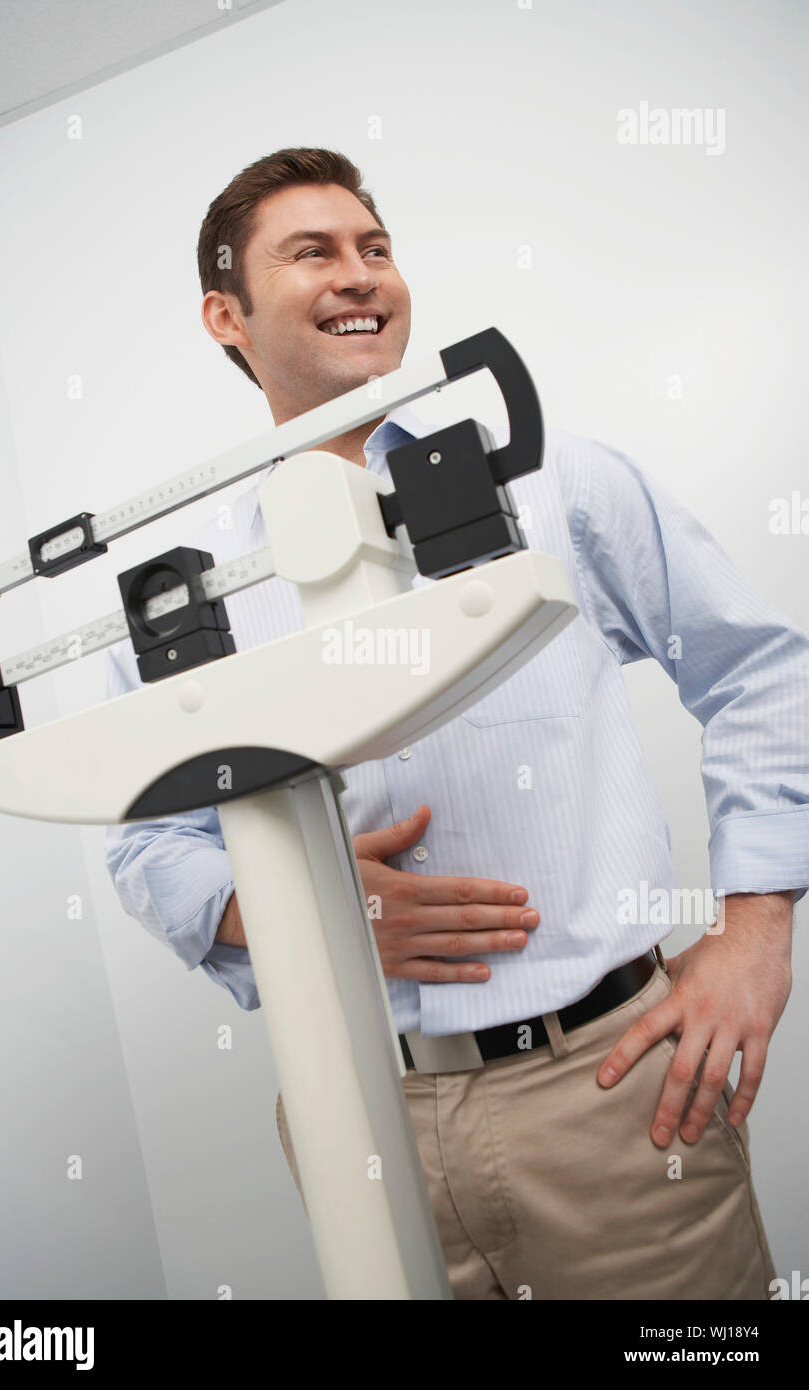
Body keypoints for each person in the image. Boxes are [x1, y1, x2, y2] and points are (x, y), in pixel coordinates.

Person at [105, 147, 808, 1300]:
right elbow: (147, 841)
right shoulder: (196, 594)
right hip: (354, 1115)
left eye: (374, 249)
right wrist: (283, 914)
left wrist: (754, 935)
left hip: (611, 1101)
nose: (359, 274)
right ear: (223, 315)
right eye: (313, 252)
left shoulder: (555, 483)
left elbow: (758, 673)